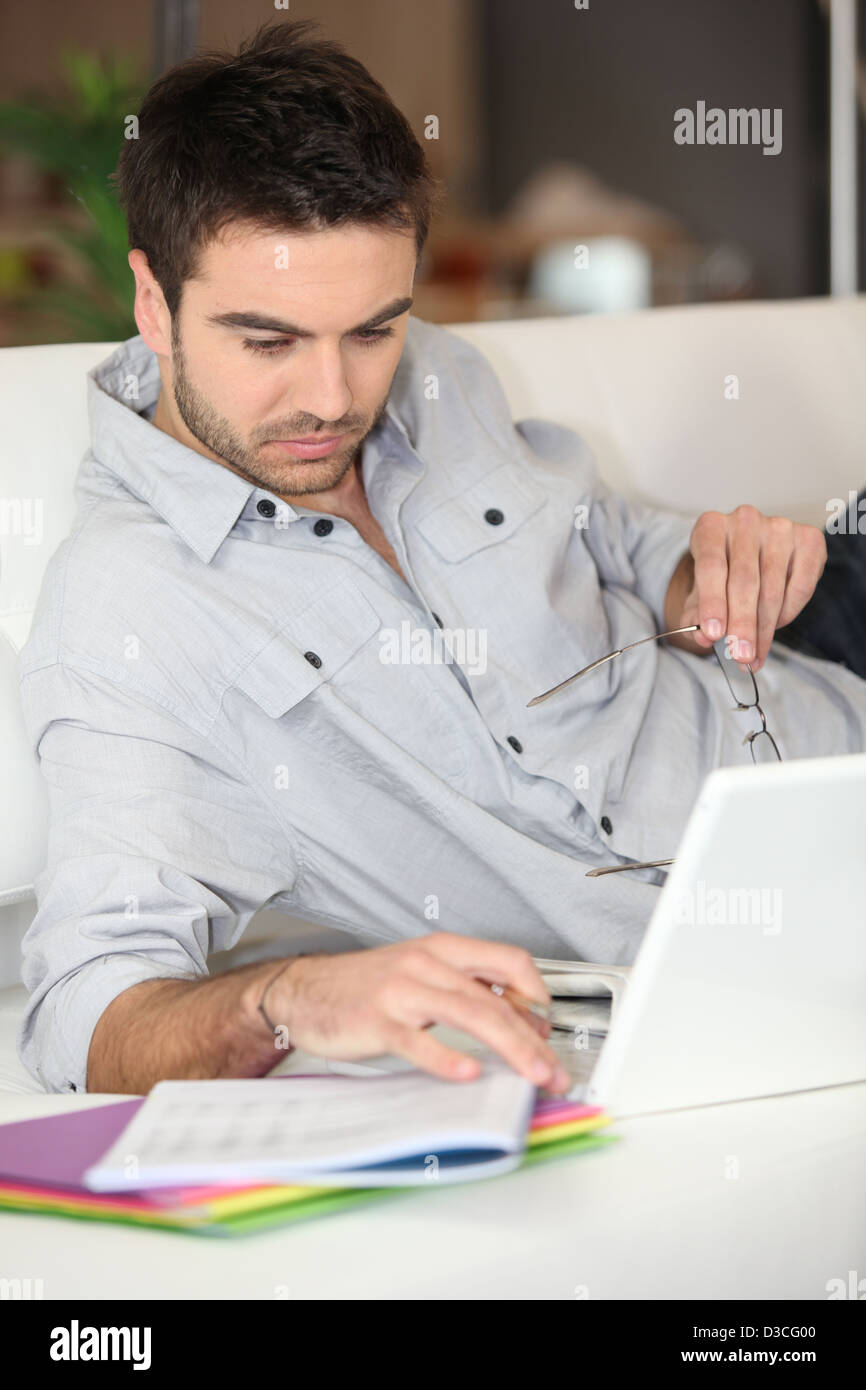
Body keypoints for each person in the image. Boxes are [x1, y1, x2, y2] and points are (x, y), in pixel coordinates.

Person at [17, 21, 866, 1097]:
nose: (332, 398)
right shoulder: (129, 609)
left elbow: (603, 531)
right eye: (268, 342)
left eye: (371, 330)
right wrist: (285, 995)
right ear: (153, 304)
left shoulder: (441, 378)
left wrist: (696, 572)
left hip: (819, 663)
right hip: (779, 939)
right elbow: (82, 1010)